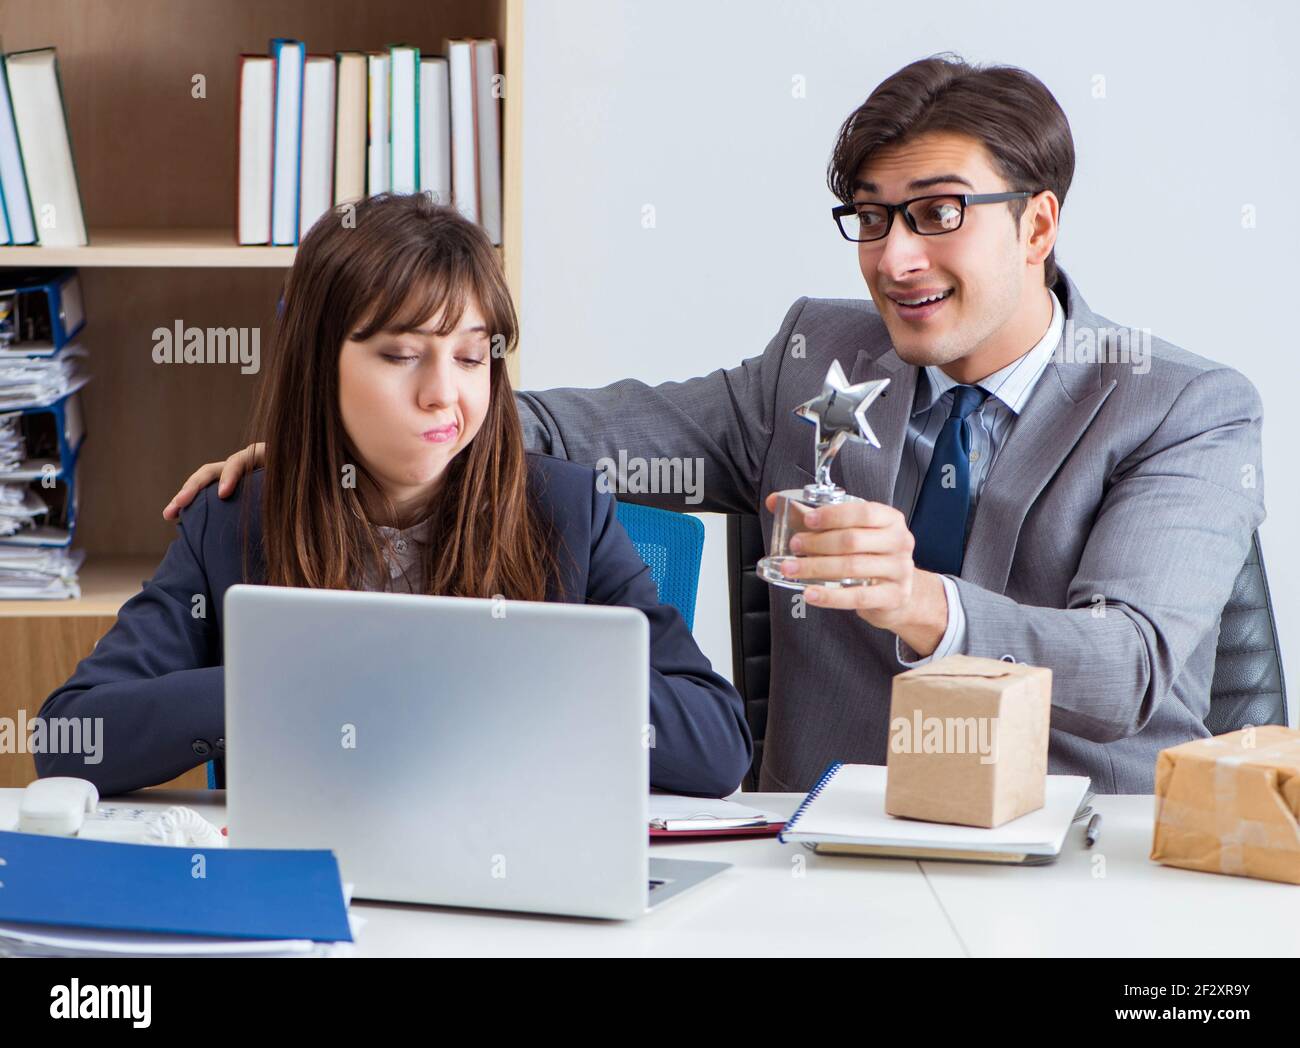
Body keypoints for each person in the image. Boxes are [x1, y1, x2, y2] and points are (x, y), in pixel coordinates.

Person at [164, 56, 1265, 795]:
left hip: (1082, 860)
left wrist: (925, 602)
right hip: (818, 859)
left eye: (935, 214)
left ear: (1036, 224)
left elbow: (1132, 669)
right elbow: (590, 425)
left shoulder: (1180, 404)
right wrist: (371, 437)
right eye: (872, 219)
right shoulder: (816, 353)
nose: (894, 257)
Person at [37, 192, 752, 798]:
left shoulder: (565, 510)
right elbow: (73, 738)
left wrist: (521, 668)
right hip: (315, 877)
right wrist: (288, 678)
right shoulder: (235, 519)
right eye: (403, 355)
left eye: (473, 357)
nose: (445, 391)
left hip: (508, 875)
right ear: (320, 365)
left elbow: (717, 745)